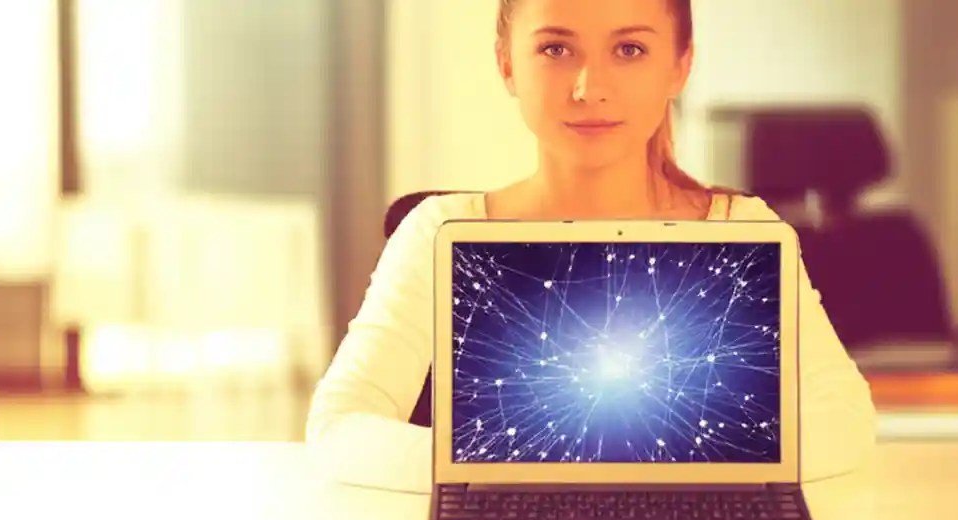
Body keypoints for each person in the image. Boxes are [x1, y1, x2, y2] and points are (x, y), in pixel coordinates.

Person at [306, 0, 876, 489]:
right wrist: (532, 476)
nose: (590, 88)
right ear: (507, 63)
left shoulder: (745, 230)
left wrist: (605, 472)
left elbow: (845, 420)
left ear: (681, 66)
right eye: (556, 49)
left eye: (629, 50)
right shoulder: (436, 232)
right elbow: (340, 427)